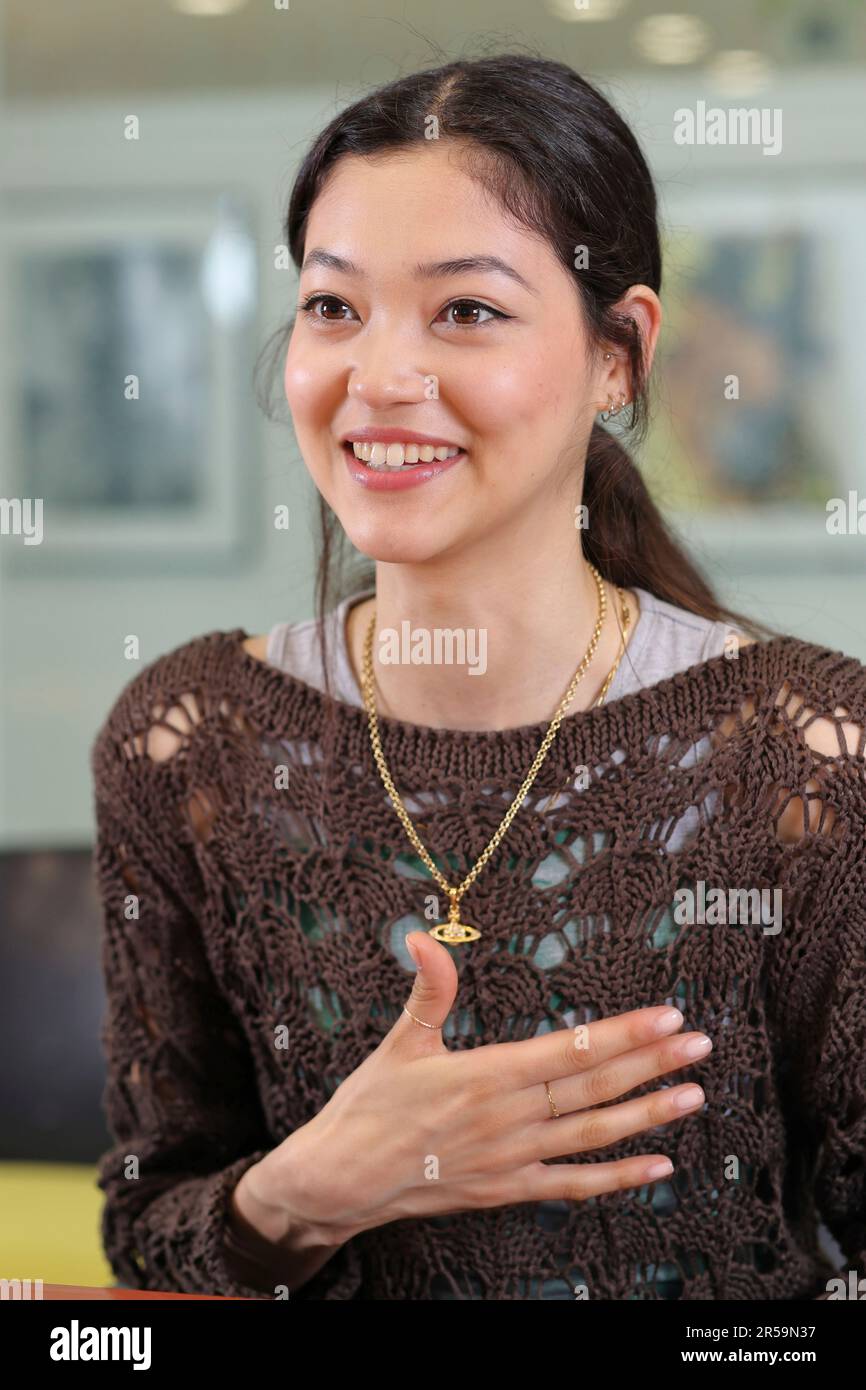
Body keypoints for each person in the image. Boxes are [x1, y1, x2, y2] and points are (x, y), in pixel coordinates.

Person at [91, 54, 866, 1300]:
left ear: (619, 355)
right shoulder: (189, 746)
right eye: (334, 307)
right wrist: (316, 1183)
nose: (379, 377)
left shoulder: (804, 758)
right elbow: (153, 1229)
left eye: (466, 310)